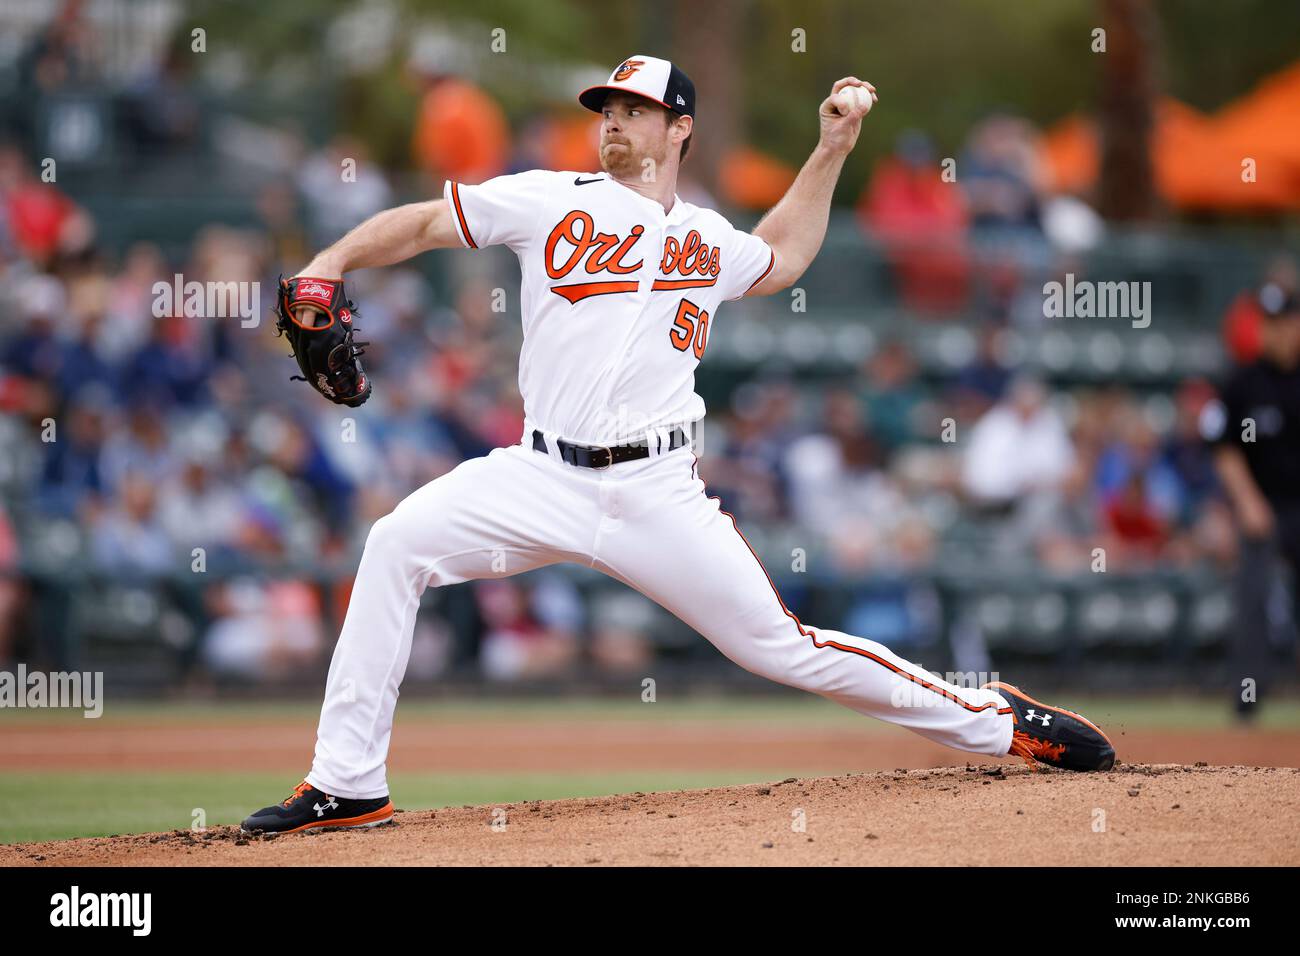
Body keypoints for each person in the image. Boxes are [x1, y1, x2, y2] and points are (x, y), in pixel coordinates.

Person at [242, 56, 1114, 835]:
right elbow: (427, 224)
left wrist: (833, 150)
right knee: (394, 543)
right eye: (606, 108)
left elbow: (781, 254)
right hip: (539, 472)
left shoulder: (706, 238)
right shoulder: (551, 198)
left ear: (679, 127)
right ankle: (347, 783)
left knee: (783, 646)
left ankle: (998, 720)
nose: (613, 121)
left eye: (633, 108)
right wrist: (329, 262)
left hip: (657, 491)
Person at [1202, 283, 1300, 721]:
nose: (1277, 332)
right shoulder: (1244, 381)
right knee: (1253, 599)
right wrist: (1247, 502)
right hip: (1264, 505)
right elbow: (1224, 448)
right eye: (1270, 324)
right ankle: (1247, 703)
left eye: (1284, 323)